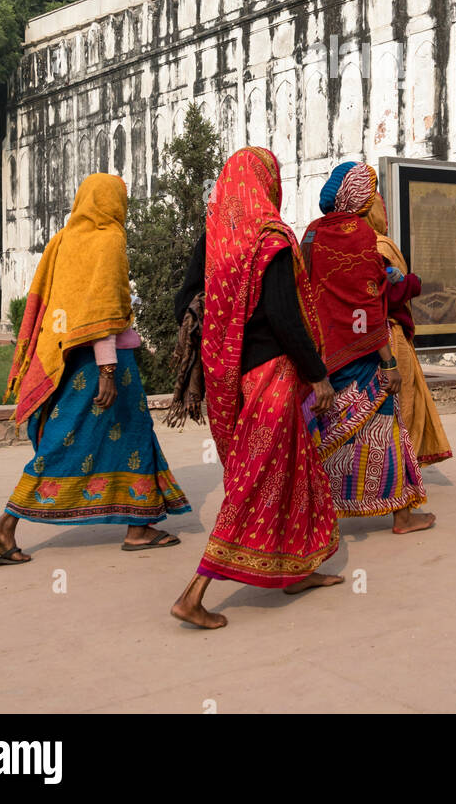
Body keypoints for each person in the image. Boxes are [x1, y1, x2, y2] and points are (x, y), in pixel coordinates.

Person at [0, 173, 190, 566]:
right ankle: (6, 523)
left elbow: (69, 306)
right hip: (105, 364)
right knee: (104, 436)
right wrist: (107, 369)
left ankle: (138, 525)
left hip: (69, 358)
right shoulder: (108, 240)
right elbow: (102, 308)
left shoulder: (64, 240)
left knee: (99, 437)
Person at [170, 147, 342, 630]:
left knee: (299, 470)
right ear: (267, 183)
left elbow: (186, 300)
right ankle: (194, 593)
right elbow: (286, 318)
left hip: (234, 377)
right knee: (257, 481)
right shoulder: (272, 240)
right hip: (275, 378)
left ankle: (295, 569)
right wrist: (317, 373)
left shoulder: (215, 237)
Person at [301, 162, 434, 535]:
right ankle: (402, 517)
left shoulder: (311, 234)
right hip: (364, 354)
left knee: (325, 435)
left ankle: (320, 515)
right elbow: (370, 302)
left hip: (323, 355)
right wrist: (388, 362)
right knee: (386, 431)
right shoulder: (359, 234)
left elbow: (308, 292)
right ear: (361, 196)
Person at [363, 191, 452, 468]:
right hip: (389, 335)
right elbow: (386, 296)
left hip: (366, 336)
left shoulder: (355, 244)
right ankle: (401, 472)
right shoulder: (379, 245)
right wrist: (413, 283)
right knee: (402, 408)